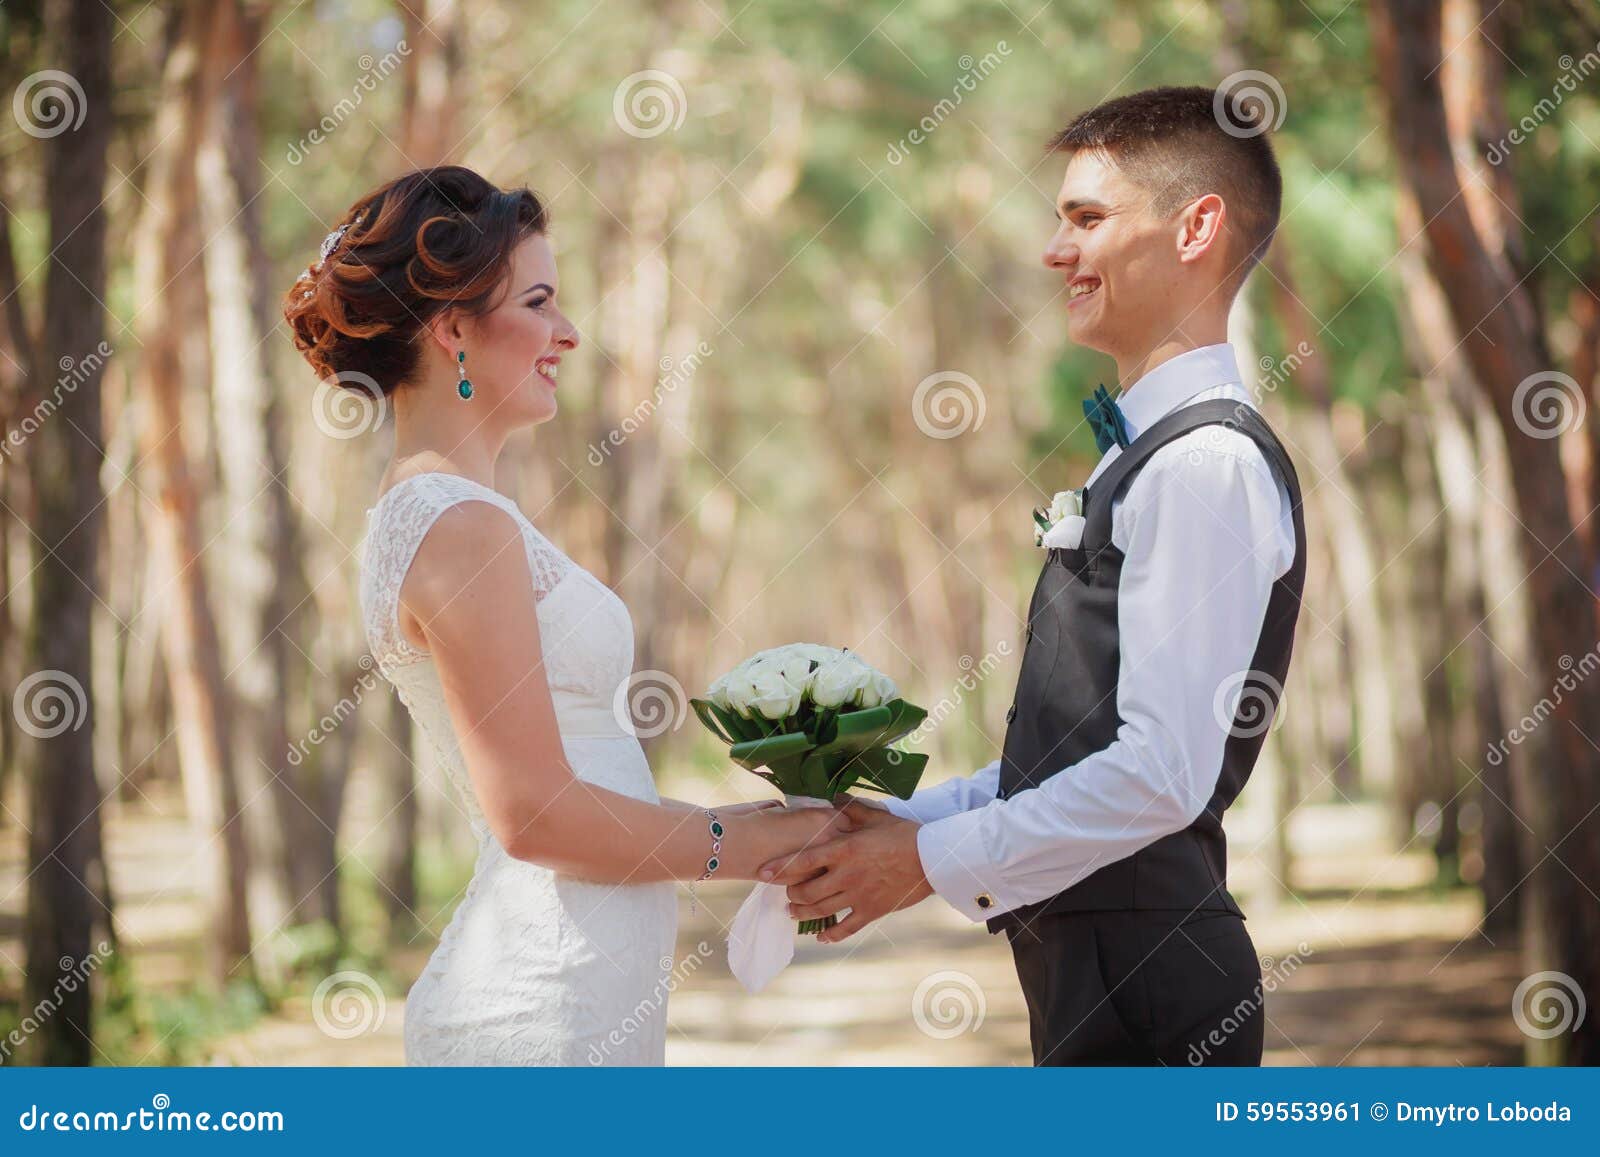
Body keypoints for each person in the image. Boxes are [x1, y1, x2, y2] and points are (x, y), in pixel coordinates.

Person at [761, 85, 1306, 1067]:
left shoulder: (1205, 464)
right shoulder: (1145, 455)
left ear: (1196, 227)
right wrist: (902, 819)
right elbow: (1072, 751)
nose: (1056, 251)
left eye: (1086, 219)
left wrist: (924, 864)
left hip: (1153, 989)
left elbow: (1160, 773)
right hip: (1086, 974)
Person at [284, 166, 846, 1066]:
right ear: (454, 328)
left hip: (582, 993)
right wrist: (741, 842)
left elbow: (578, 774)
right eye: (540, 302)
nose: (568, 333)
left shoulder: (454, 511)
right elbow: (534, 815)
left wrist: (748, 823)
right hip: (540, 1012)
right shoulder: (457, 525)